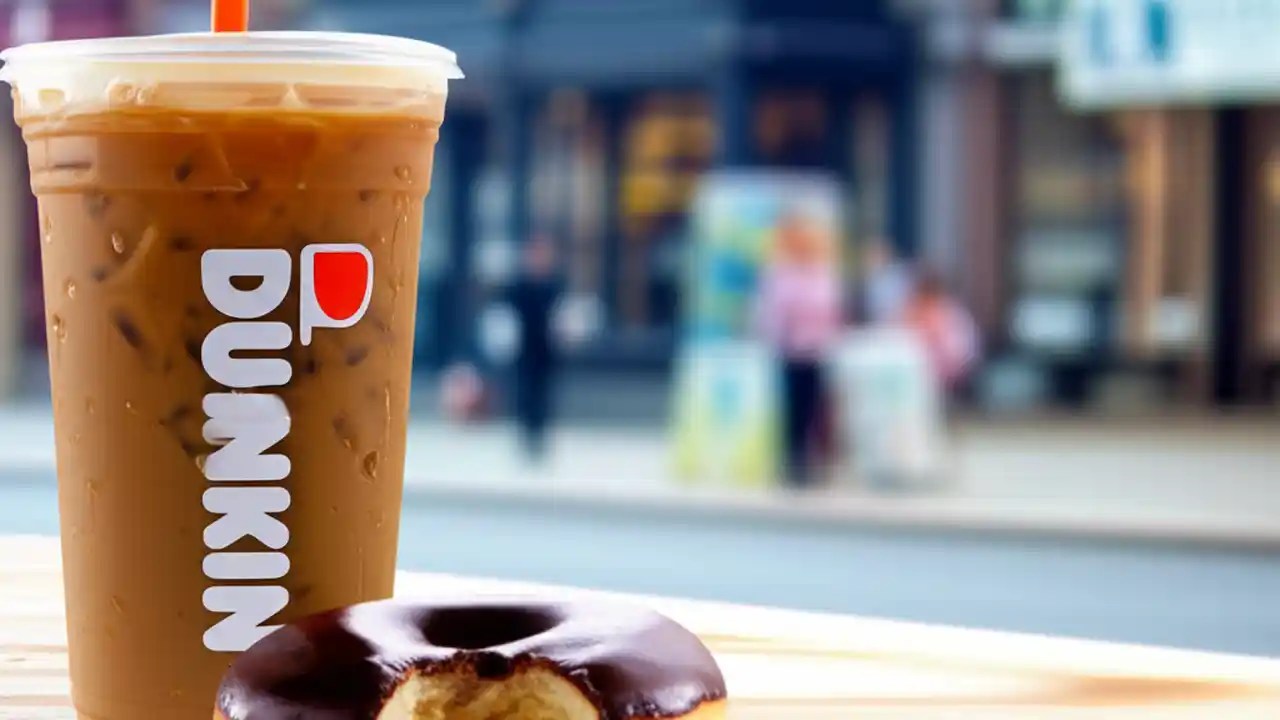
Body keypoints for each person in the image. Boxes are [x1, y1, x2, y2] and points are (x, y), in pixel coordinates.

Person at [755, 212, 843, 487]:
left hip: (817, 350)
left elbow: (832, 310)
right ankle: (792, 462)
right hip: (791, 350)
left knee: (815, 407)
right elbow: (772, 312)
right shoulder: (782, 274)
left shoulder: (822, 273)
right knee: (792, 409)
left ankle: (814, 461)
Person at [504, 236, 566, 461]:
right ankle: (525, 436)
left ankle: (539, 438)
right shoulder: (520, 286)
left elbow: (561, 316)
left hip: (546, 350)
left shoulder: (553, 286)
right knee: (525, 392)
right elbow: (507, 315)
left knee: (543, 394)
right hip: (525, 349)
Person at [899, 269, 980, 397]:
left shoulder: (952, 314)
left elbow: (960, 356)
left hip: (953, 383)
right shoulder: (911, 312)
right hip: (916, 379)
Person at [859, 238, 913, 326]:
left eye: (876, 254)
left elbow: (903, 303)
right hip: (880, 325)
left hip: (896, 324)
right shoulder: (870, 280)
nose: (872, 259)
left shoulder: (896, 277)